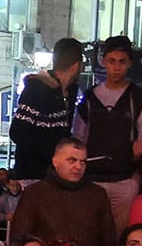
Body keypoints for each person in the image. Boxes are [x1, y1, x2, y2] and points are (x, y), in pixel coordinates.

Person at [71, 36, 142, 232]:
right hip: (92, 178)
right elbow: (78, 138)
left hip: (125, 180)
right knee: (90, 232)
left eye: (122, 62)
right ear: (103, 61)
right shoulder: (90, 98)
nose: (116, 67)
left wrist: (140, 152)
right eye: (112, 61)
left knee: (120, 235)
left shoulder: (139, 98)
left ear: (129, 64)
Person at [8, 137, 116, 246]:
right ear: (55, 161)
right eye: (72, 160)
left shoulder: (98, 194)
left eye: (83, 162)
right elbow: (19, 239)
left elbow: (108, 239)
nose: (78, 167)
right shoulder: (34, 194)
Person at [7, 41, 84, 181]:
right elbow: (17, 132)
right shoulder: (37, 89)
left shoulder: (70, 93)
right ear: (76, 66)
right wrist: (51, 154)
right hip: (33, 174)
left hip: (58, 176)